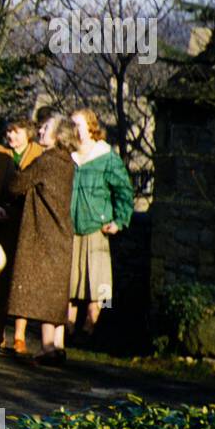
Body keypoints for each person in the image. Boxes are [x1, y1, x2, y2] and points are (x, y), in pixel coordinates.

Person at [7, 114, 77, 366]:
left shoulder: (46, 161)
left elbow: (16, 185)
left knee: (45, 290)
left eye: (46, 128)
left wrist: (12, 170)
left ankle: (48, 347)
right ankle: (55, 345)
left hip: (44, 233)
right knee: (56, 291)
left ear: (58, 136)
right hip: (61, 233)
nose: (40, 130)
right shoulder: (67, 162)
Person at [0, 117, 44, 355]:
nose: (10, 136)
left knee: (22, 279)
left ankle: (20, 336)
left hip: (27, 225)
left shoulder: (39, 155)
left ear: (28, 133)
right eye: (8, 132)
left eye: (15, 132)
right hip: (0, 224)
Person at [67, 108, 134, 342]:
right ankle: (67, 330)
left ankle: (94, 327)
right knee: (70, 283)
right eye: (72, 124)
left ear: (91, 126)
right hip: (70, 228)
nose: (75, 129)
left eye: (79, 124)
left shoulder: (106, 157)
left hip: (97, 226)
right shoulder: (68, 155)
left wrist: (120, 220)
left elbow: (124, 190)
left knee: (99, 284)